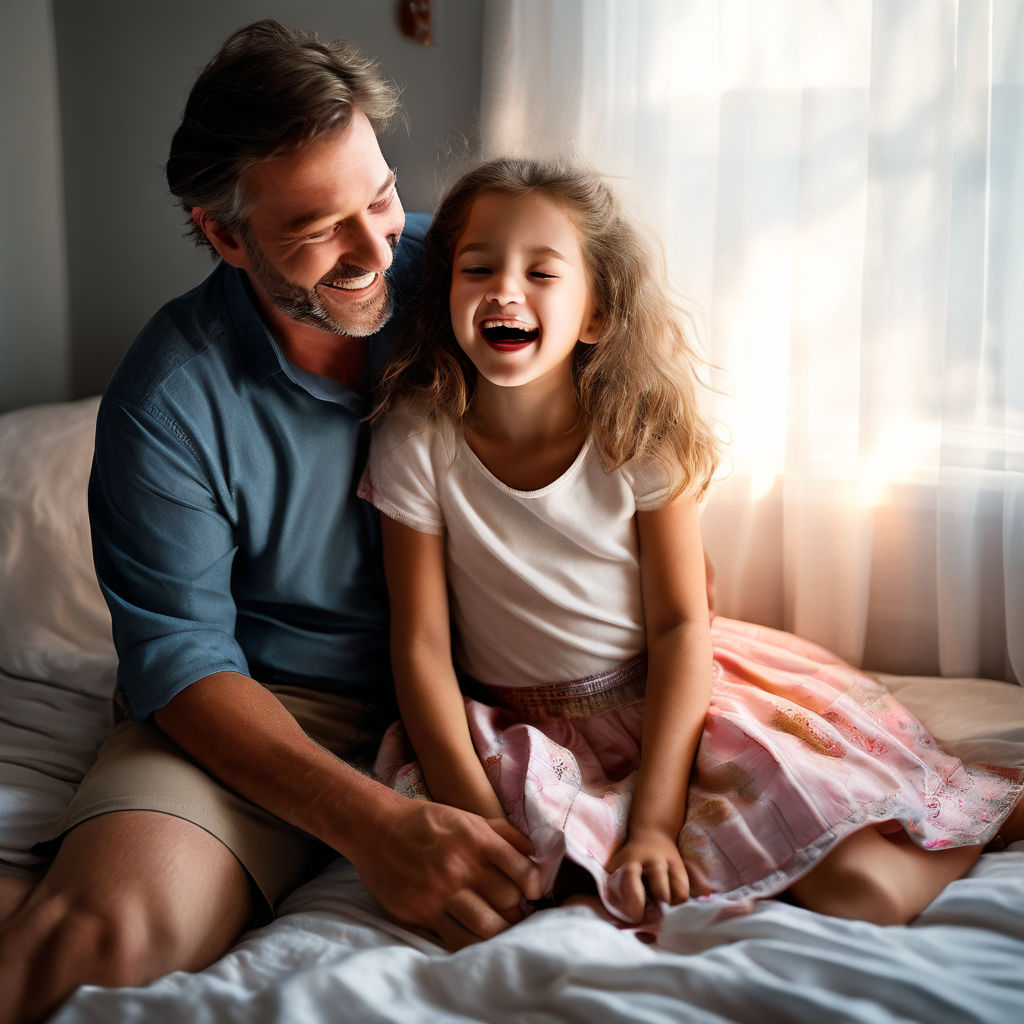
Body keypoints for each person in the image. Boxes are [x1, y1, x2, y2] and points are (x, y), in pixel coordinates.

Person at [0, 21, 542, 1024]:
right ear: (222, 234)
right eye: (317, 226)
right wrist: (376, 825)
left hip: (498, 675)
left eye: (379, 195)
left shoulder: (467, 281)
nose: (375, 246)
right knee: (100, 939)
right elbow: (183, 662)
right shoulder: (167, 397)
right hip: (271, 706)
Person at [359, 155, 1024, 929]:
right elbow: (420, 647)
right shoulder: (416, 438)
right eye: (479, 268)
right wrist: (478, 818)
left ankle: (988, 814)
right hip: (520, 732)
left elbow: (681, 628)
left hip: (675, 703)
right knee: (531, 888)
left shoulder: (634, 433)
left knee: (862, 895)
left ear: (597, 315)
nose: (506, 290)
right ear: (446, 297)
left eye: (543, 274)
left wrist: (654, 821)